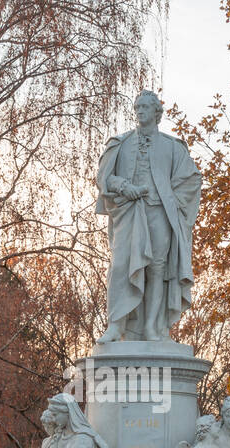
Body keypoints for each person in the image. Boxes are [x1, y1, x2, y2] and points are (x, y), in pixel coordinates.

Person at [95, 90, 202, 343]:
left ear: (157, 113)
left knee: (157, 269)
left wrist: (172, 201)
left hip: (159, 213)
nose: (139, 111)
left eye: (144, 107)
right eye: (137, 107)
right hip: (129, 212)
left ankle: (153, 328)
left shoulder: (172, 147)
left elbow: (191, 179)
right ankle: (115, 325)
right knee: (121, 264)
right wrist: (124, 187)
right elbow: (104, 177)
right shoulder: (119, 143)